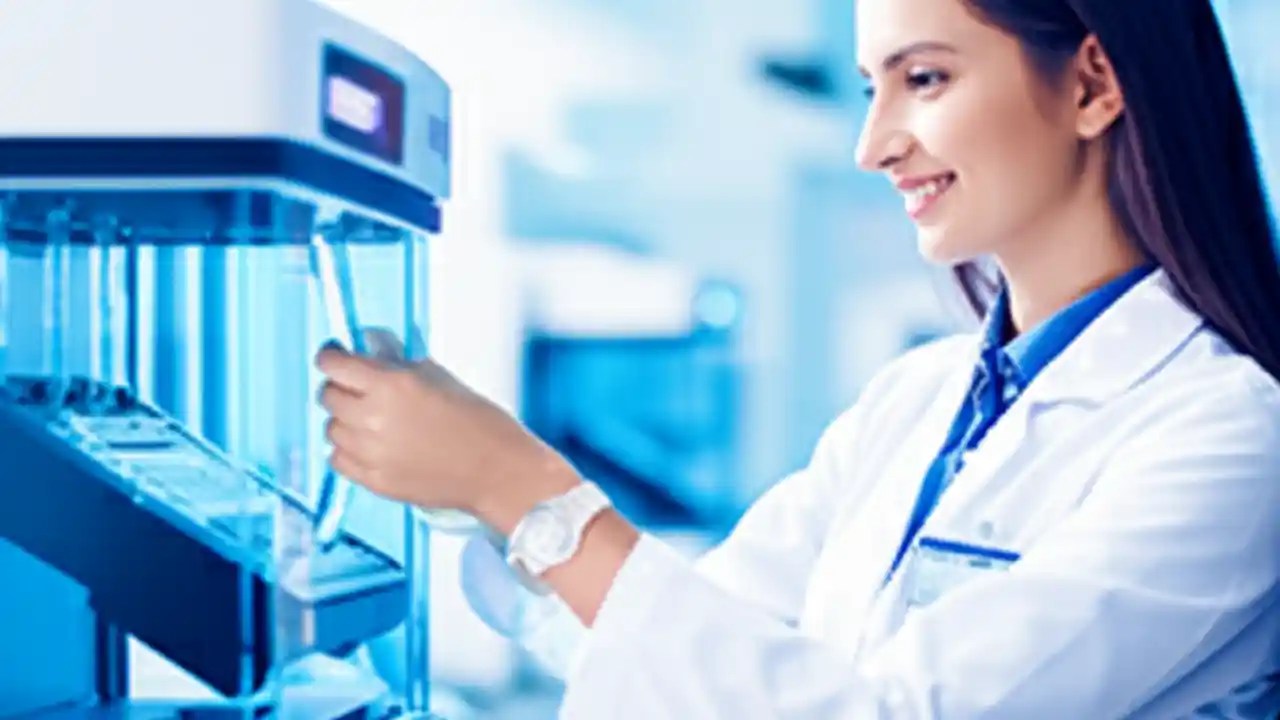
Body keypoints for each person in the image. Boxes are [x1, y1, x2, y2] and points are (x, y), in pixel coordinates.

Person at [314, 0, 1280, 716]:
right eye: (872, 88)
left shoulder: (1229, 437)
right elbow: (710, 650)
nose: (872, 144)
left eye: (925, 78)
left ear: (1092, 84)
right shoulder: (917, 400)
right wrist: (490, 509)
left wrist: (522, 488)